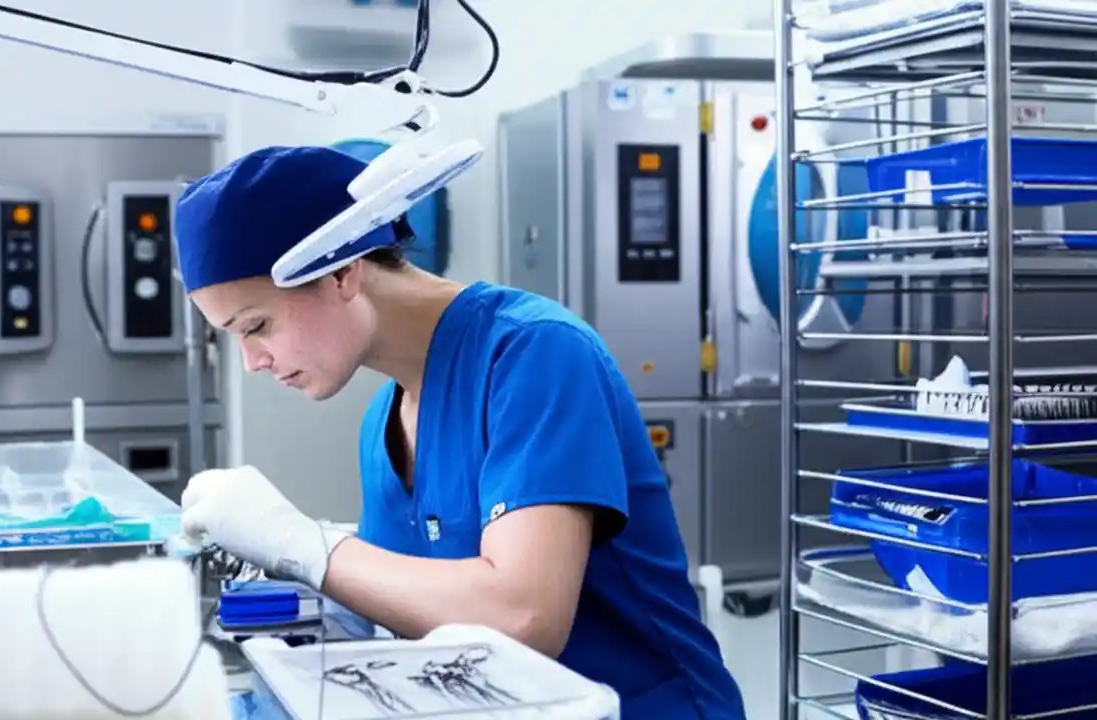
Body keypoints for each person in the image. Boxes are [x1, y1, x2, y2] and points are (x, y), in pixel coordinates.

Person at [174, 144, 746, 719]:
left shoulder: (533, 354)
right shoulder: (384, 419)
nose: (252, 361)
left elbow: (523, 616)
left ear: (342, 271)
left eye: (257, 325)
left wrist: (298, 543)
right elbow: (415, 605)